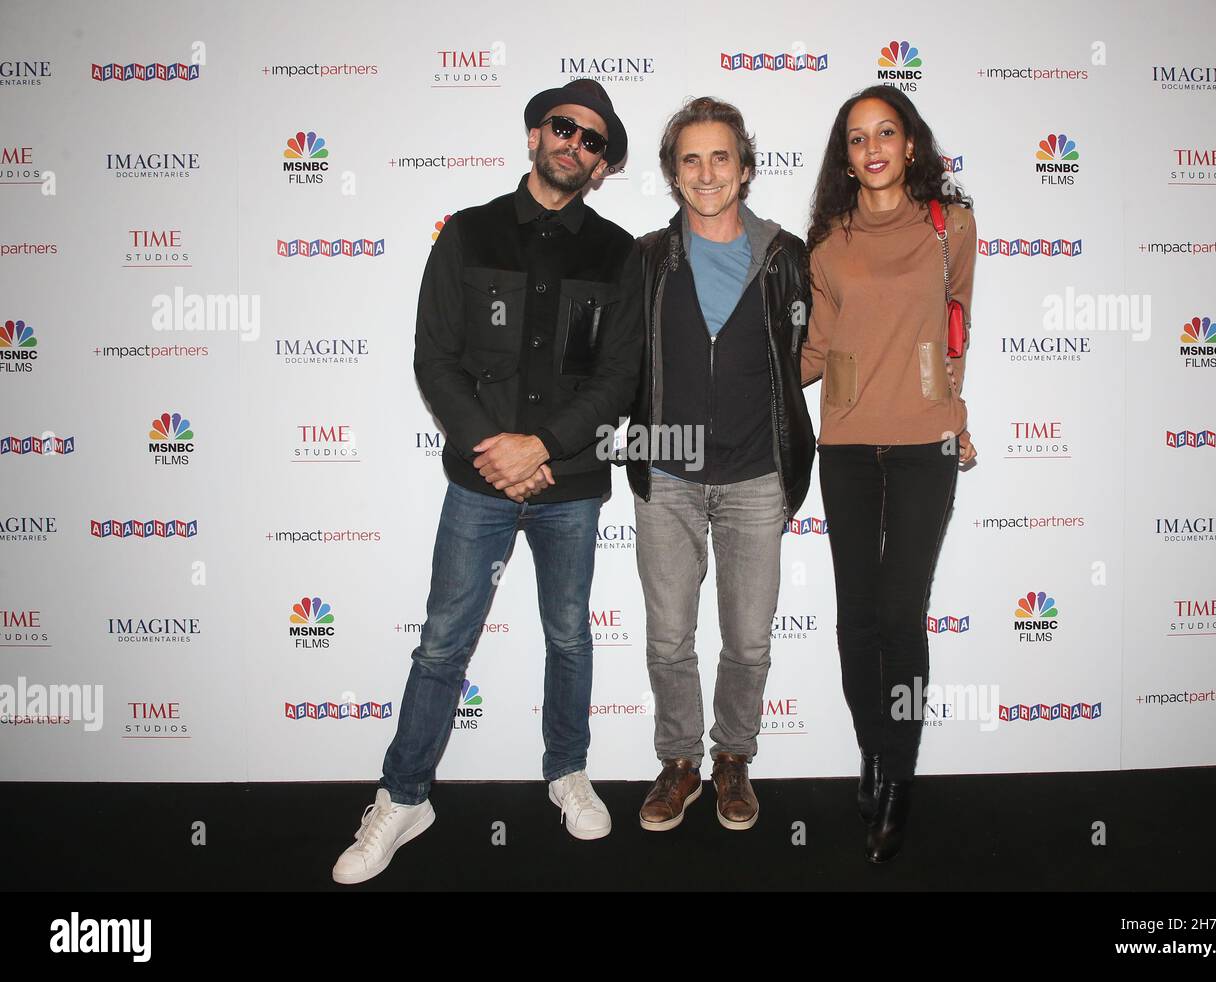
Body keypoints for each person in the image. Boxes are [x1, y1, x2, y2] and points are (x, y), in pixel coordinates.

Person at [332, 79, 643, 884]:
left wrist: (540, 444)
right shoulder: (467, 234)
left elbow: (618, 379)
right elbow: (433, 358)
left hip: (571, 484)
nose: (575, 144)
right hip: (478, 481)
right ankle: (404, 796)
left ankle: (567, 771)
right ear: (535, 133)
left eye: (593, 141)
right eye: (564, 128)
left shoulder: (621, 254)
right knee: (443, 640)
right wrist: (493, 449)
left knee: (570, 634)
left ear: (603, 165)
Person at [627, 97, 815, 832]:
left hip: (756, 476)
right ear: (674, 174)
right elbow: (616, 364)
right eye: (690, 159)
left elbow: (824, 351)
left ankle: (733, 757)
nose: (707, 173)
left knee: (749, 639)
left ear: (745, 167)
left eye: (720, 157)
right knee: (669, 636)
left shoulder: (786, 257)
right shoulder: (644, 258)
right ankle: (679, 763)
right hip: (666, 473)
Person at [802, 85, 977, 863]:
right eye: (856, 138)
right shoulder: (828, 241)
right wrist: (741, 364)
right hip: (843, 447)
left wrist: (953, 415)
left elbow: (955, 329)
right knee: (856, 618)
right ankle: (873, 749)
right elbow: (817, 349)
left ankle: (899, 776)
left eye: (886, 132)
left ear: (911, 145)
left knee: (902, 620)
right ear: (846, 156)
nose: (871, 148)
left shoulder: (951, 227)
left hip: (921, 450)